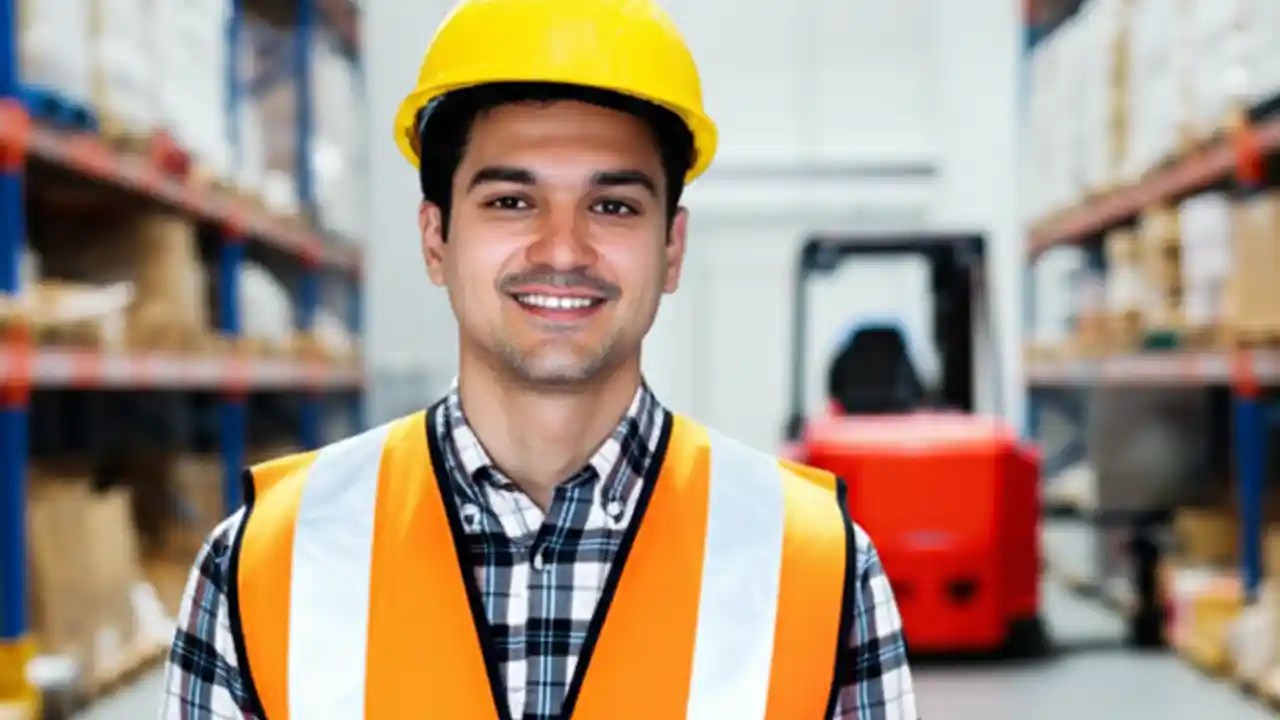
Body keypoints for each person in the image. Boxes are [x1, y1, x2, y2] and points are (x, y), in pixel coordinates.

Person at [161, 0, 917, 717]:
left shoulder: (819, 571)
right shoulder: (263, 568)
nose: (563, 248)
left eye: (613, 205)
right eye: (511, 202)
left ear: (672, 249)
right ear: (436, 239)